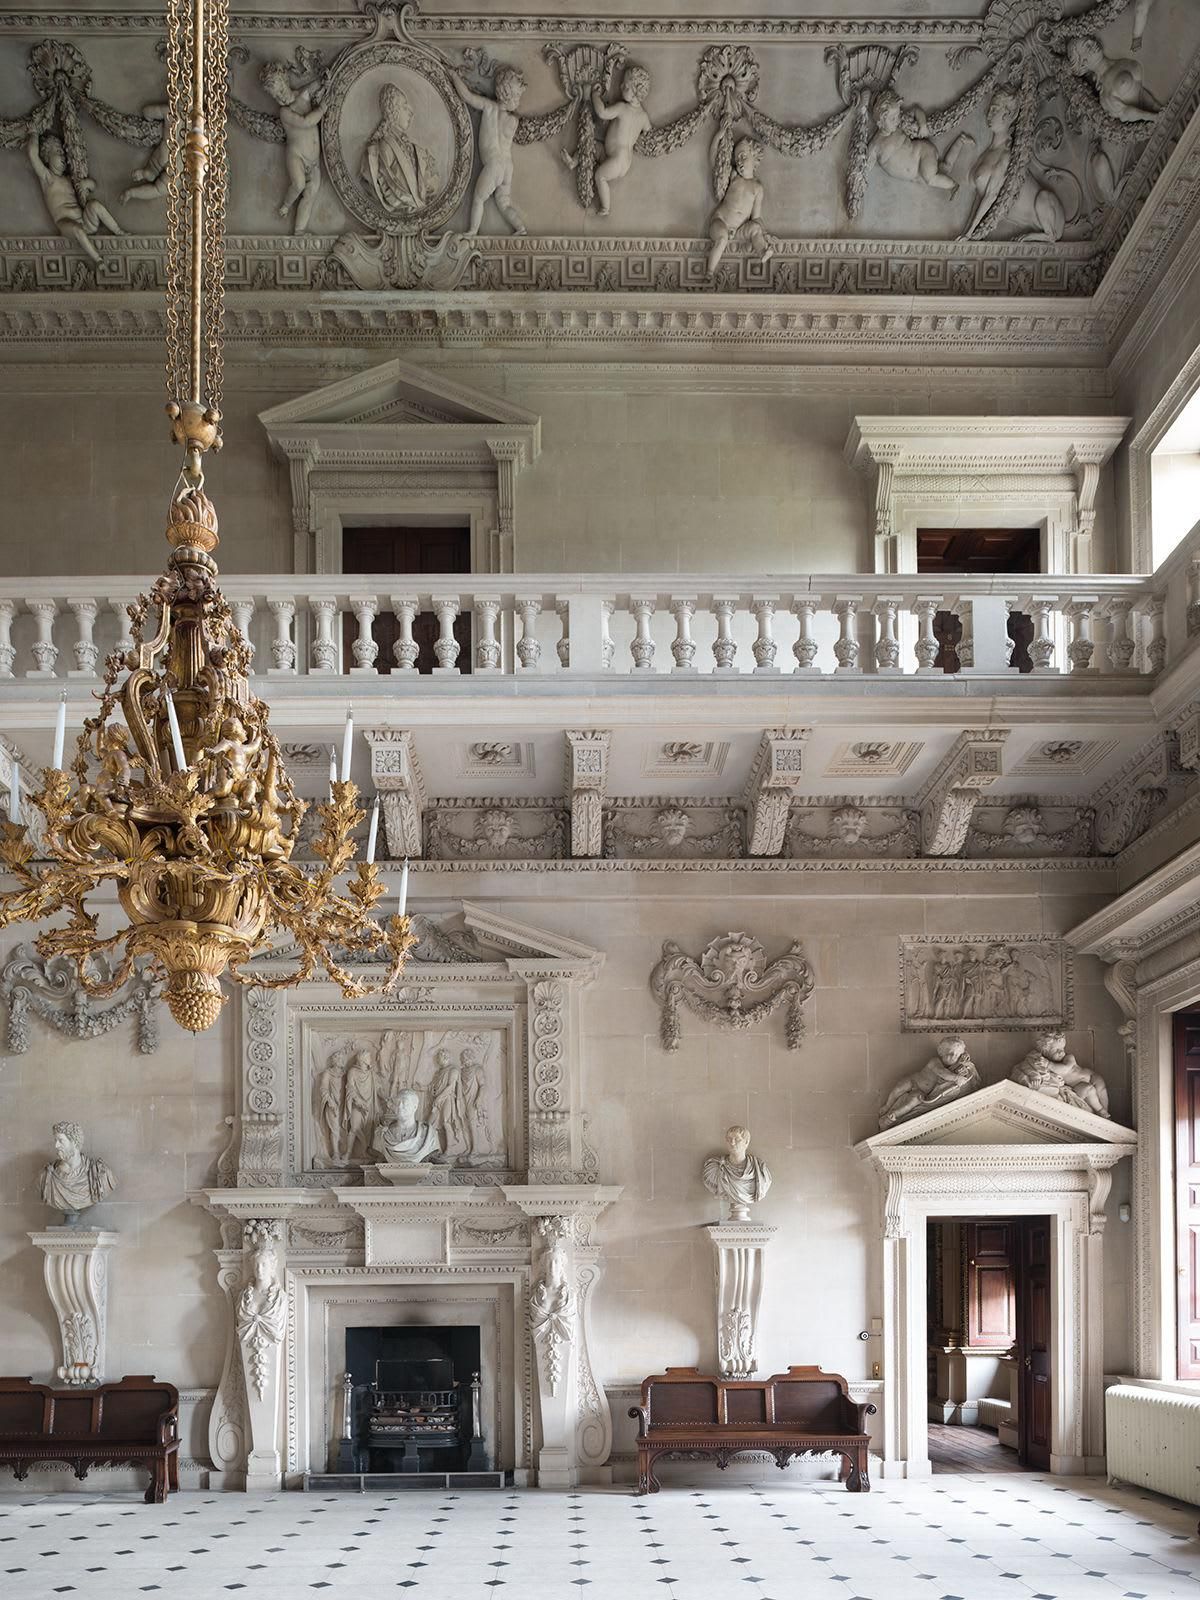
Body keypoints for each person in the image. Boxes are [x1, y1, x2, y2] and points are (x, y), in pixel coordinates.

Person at [453, 65, 528, 236]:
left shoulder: (489, 108)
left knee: (479, 198)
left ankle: (473, 230)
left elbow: (466, 96)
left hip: (494, 165)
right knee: (504, 203)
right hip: (507, 166)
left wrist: (454, 76)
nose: (518, 101)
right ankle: (520, 228)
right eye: (516, 97)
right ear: (505, 94)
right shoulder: (513, 121)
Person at [27, 133, 123, 266]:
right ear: (47, 156)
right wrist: (34, 132)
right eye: (58, 152)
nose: (63, 157)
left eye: (63, 153)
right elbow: (32, 153)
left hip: (85, 221)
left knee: (94, 205)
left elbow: (92, 185)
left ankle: (119, 231)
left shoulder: (68, 179)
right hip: (65, 223)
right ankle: (97, 259)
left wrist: (86, 184)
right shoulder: (47, 178)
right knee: (77, 230)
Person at [260, 62, 328, 234]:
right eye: (275, 97)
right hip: (296, 156)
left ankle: (299, 231)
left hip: (313, 162)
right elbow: (306, 122)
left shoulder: (302, 95)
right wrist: (322, 109)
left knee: (310, 195)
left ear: (286, 81)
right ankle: (286, 205)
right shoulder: (285, 112)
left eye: (281, 91)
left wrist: (324, 79)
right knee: (298, 185)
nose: (280, 98)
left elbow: (314, 86)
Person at [865, 88, 970, 196]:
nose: (897, 120)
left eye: (897, 116)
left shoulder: (899, 126)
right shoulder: (875, 145)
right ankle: (960, 141)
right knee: (944, 169)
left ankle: (953, 186)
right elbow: (863, 167)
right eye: (892, 118)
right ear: (880, 121)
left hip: (922, 153)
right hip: (917, 174)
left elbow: (916, 110)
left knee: (931, 179)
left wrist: (923, 124)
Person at [360, 83, 440, 214]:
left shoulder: (413, 148)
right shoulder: (384, 147)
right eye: (404, 106)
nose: (411, 111)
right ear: (393, 111)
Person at [587, 64, 652, 217]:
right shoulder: (643, 116)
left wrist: (595, 96)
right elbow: (648, 131)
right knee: (593, 147)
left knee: (599, 176)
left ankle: (605, 207)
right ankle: (574, 161)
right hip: (623, 161)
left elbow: (602, 113)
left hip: (616, 159)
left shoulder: (622, 108)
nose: (621, 86)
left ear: (636, 91)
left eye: (626, 86)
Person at [706, 137, 775, 277]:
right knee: (722, 238)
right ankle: (709, 271)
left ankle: (763, 251)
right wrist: (719, 136)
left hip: (738, 230)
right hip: (721, 222)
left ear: (754, 156)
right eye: (737, 160)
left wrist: (765, 233)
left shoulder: (757, 188)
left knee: (755, 229)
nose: (739, 163)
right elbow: (715, 161)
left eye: (743, 157)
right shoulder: (734, 176)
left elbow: (756, 217)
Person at [878, 1038, 980, 1130]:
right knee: (898, 1089)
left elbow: (961, 1069)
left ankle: (891, 1117)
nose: (953, 1057)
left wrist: (963, 1061)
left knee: (913, 1101)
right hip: (914, 1081)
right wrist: (957, 1078)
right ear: (941, 1053)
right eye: (950, 1053)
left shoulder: (954, 1068)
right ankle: (887, 1106)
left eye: (957, 1055)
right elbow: (941, 1072)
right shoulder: (935, 1062)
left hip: (921, 1092)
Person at [1011, 1031, 1110, 1118]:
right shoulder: (1041, 1060)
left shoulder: (1068, 1058)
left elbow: (1065, 1070)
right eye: (1056, 1050)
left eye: (1062, 1048)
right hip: (1078, 1086)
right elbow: (1028, 1064)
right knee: (1088, 1090)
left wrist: (1048, 1064)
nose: (1061, 1052)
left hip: (1090, 1077)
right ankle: (1100, 1111)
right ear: (1045, 1051)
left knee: (1101, 1091)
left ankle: (1104, 1111)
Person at [39, 1121, 116, 1222]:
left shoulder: (99, 1174)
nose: (56, 1145)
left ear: (74, 1142)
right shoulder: (47, 1176)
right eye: (55, 1140)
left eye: (60, 1140)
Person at [702, 1125, 772, 1221]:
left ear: (746, 1142)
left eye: (737, 1139)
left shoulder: (760, 1170)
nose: (732, 1143)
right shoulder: (714, 1167)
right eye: (729, 1139)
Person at [373, 1087, 441, 1165]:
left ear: (415, 1107)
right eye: (397, 1103)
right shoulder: (381, 1134)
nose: (400, 1106)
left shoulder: (429, 1135)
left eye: (405, 1103)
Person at [121, 102, 171, 205]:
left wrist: (148, 116)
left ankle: (147, 173)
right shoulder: (208, 130)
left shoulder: (172, 113)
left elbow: (148, 111)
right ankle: (132, 192)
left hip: (165, 151)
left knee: (154, 171)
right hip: (182, 164)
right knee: (159, 189)